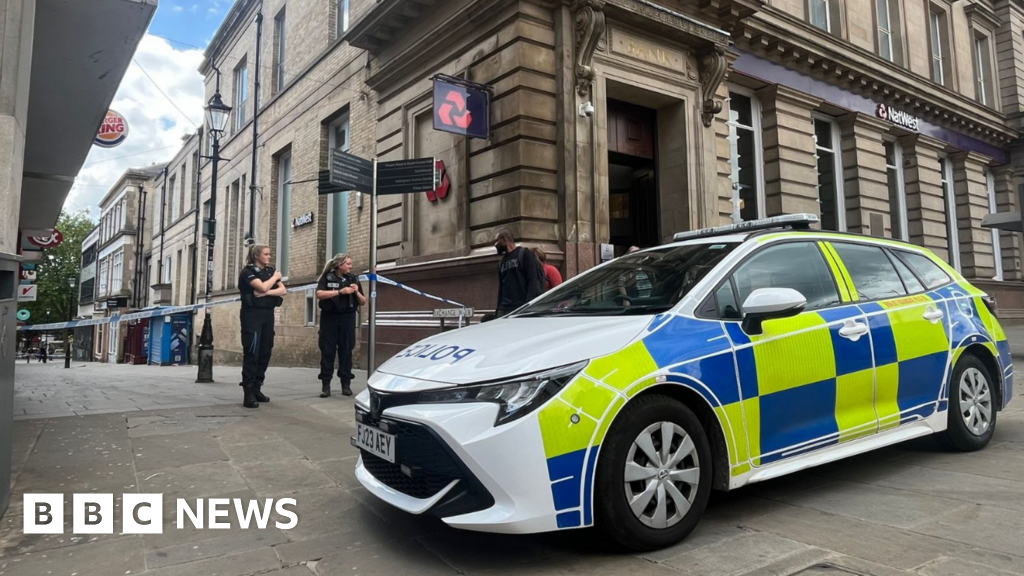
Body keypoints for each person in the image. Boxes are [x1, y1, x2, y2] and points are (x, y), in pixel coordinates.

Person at [238, 244, 287, 409]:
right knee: (252, 352)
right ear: (256, 256)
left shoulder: (269, 271)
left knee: (265, 351)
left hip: (268, 314)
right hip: (252, 315)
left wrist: (266, 293)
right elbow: (262, 286)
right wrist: (275, 278)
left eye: (269, 254)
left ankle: (257, 387)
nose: (269, 257)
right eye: (266, 254)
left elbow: (283, 290)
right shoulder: (248, 272)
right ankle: (248, 392)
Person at [315, 253, 366, 398]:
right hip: (329, 318)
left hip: (347, 319)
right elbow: (319, 294)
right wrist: (339, 292)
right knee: (327, 351)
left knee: (346, 351)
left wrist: (356, 292)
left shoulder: (353, 279)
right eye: (348, 264)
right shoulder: (327, 277)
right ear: (339, 265)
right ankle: (326, 385)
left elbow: (363, 301)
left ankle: (346, 384)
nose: (351, 266)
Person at [492, 229, 545, 318]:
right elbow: (501, 288)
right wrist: (498, 310)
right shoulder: (501, 262)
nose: (495, 245)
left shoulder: (524, 254)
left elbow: (532, 280)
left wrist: (527, 305)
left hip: (520, 307)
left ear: (504, 240)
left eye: (497, 241)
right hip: (504, 308)